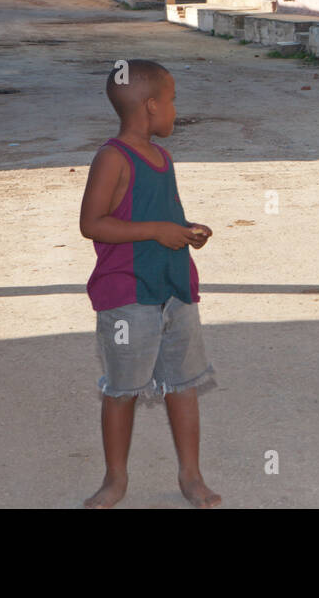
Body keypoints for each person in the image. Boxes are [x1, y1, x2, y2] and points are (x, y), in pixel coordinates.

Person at [79, 59, 220, 509]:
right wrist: (157, 231)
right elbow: (91, 224)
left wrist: (186, 230)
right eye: (173, 100)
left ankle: (191, 475)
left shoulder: (164, 157)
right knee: (122, 390)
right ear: (151, 105)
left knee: (184, 385)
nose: (176, 110)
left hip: (175, 289)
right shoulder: (112, 158)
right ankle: (115, 480)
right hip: (128, 295)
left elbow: (165, 216)